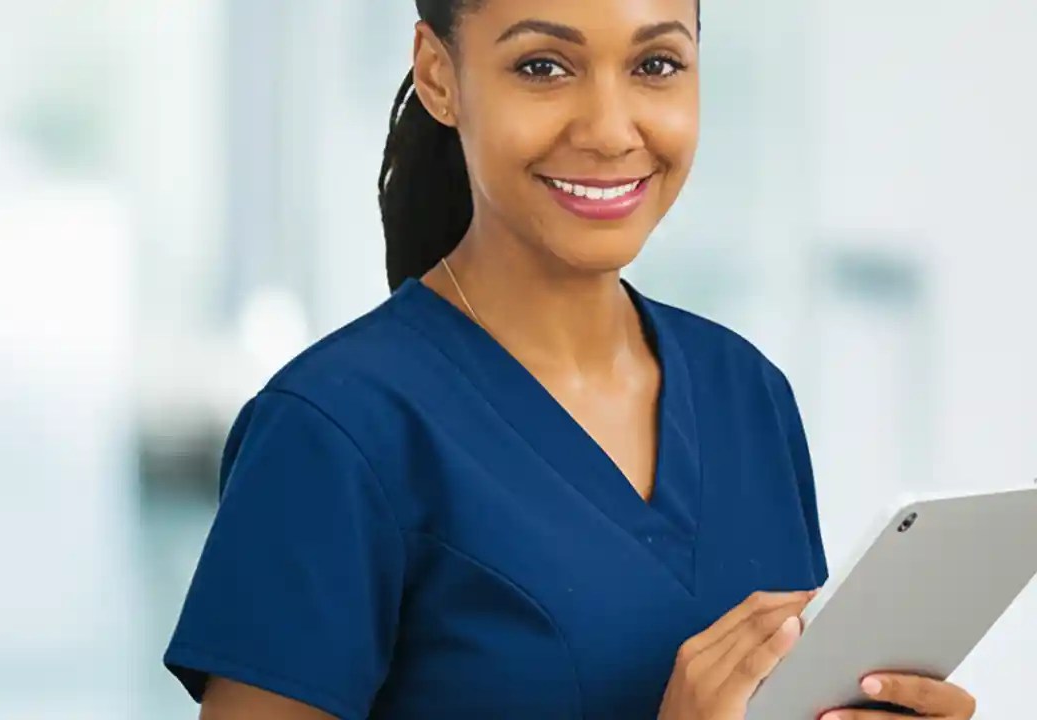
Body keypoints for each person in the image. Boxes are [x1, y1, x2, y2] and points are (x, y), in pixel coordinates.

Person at [163, 1, 979, 718]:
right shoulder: (333, 433)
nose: (610, 128)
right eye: (543, 66)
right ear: (439, 75)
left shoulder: (748, 394)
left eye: (656, 64)